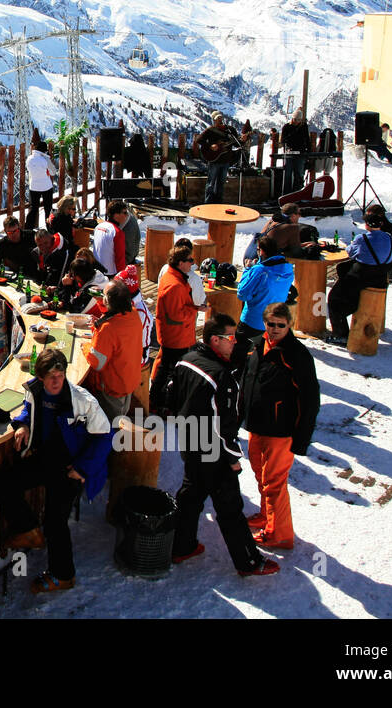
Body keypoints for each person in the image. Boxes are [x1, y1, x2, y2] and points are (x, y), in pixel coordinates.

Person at [167, 314, 279, 577]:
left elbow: (170, 393)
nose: (235, 343)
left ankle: (182, 545)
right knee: (229, 507)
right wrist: (232, 459)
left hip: (190, 440)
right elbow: (222, 426)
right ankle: (248, 562)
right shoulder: (221, 377)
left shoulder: (186, 359)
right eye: (231, 338)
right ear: (215, 340)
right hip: (212, 450)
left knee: (191, 494)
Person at [0, 348, 112, 593]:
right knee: (3, 483)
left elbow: (104, 437)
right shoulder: (36, 391)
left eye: (60, 374)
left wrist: (82, 469)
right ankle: (28, 531)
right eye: (51, 376)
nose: (56, 380)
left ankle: (63, 575)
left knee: (55, 522)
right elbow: (29, 408)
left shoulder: (83, 401)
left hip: (71, 466)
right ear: (41, 378)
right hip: (46, 458)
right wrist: (23, 424)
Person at [240, 302, 318, 551]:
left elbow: (310, 400)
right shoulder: (256, 346)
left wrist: (302, 439)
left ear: (290, 325)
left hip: (281, 431)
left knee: (274, 482)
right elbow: (247, 381)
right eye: (270, 324)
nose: (274, 329)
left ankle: (280, 534)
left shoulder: (297, 355)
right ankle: (266, 516)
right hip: (257, 425)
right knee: (260, 476)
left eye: (280, 325)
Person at [326, 208, 392, 343]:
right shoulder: (388, 237)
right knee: (344, 271)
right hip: (380, 277)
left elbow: (351, 252)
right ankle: (350, 311)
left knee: (334, 298)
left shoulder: (362, 238)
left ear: (367, 225)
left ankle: (341, 334)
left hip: (360, 277)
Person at [152, 245, 206, 416]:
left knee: (165, 367)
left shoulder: (173, 276)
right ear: (181, 263)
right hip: (176, 336)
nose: (193, 263)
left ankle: (158, 401)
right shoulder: (174, 285)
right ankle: (160, 404)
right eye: (190, 260)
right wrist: (196, 309)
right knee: (169, 370)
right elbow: (177, 315)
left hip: (174, 334)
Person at [80, 280, 144, 421]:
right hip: (128, 379)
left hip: (113, 387)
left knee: (111, 424)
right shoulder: (132, 314)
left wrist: (84, 347)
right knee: (122, 416)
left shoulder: (108, 329)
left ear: (108, 301)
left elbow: (97, 362)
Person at [234, 235, 295, 369]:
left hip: (252, 321)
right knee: (265, 354)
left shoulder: (260, 270)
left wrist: (248, 270)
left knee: (241, 356)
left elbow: (242, 293)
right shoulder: (288, 270)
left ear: (262, 251)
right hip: (274, 320)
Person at [195, 114, 238, 202]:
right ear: (214, 120)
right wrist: (210, 146)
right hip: (214, 160)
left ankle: (218, 203)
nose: (220, 119)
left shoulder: (230, 130)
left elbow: (237, 143)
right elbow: (198, 140)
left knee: (221, 184)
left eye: (221, 118)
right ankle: (208, 203)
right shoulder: (211, 130)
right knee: (211, 183)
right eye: (218, 118)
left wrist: (243, 139)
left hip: (226, 160)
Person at [25, 140, 57, 230]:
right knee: (48, 209)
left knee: (33, 209)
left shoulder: (29, 158)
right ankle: (50, 228)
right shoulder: (45, 159)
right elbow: (53, 172)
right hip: (46, 187)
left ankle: (28, 229)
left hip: (34, 186)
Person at [92, 201, 128, 277]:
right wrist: (122, 277)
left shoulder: (98, 227)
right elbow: (120, 259)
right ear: (116, 215)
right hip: (110, 274)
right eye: (124, 213)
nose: (127, 215)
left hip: (95, 270)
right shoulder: (117, 232)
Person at [280, 109, 311, 194]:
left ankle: (297, 193)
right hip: (290, 154)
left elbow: (307, 140)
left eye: (299, 120)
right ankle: (286, 194)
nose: (297, 121)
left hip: (300, 154)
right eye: (296, 119)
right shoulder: (286, 127)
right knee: (288, 175)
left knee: (299, 174)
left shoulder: (304, 127)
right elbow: (282, 140)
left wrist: (309, 153)